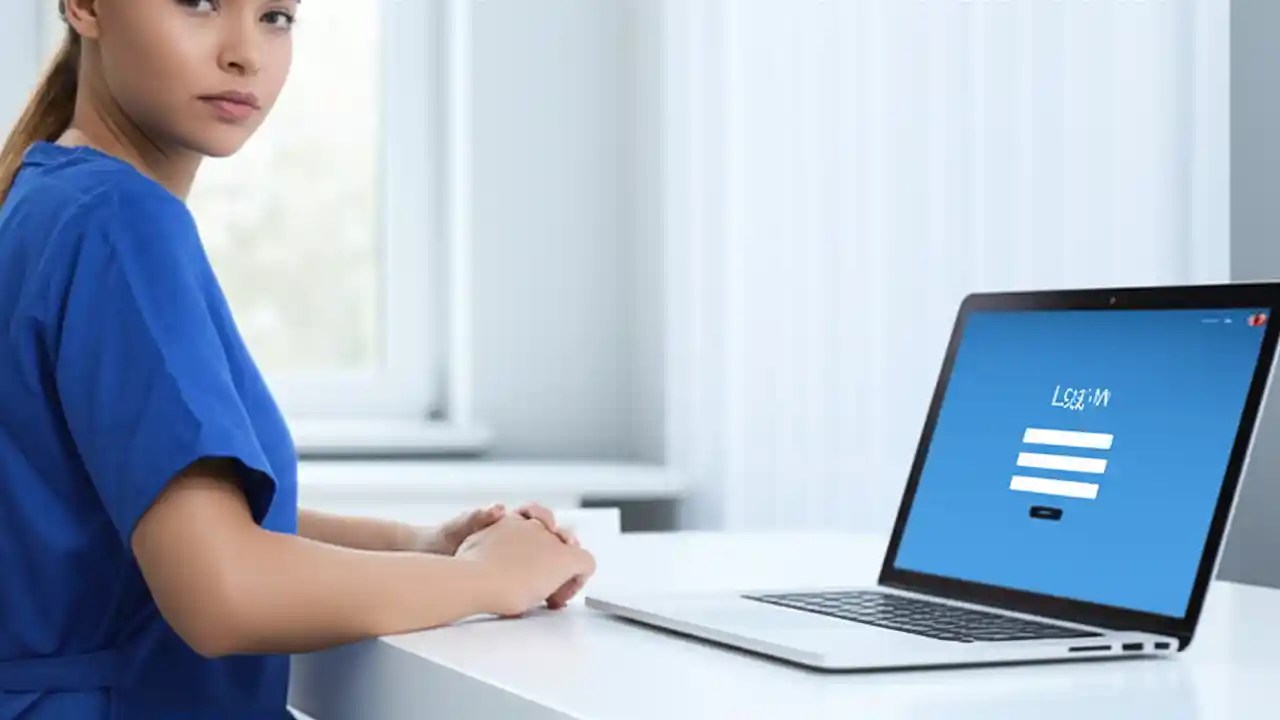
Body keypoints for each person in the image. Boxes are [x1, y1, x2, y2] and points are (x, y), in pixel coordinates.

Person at [0, 1, 596, 717]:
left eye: (276, 15)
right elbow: (223, 592)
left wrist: (421, 545)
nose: (244, 53)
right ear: (85, 8)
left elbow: (155, 513)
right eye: (198, 2)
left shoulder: (46, 200)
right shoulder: (121, 225)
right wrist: (489, 582)